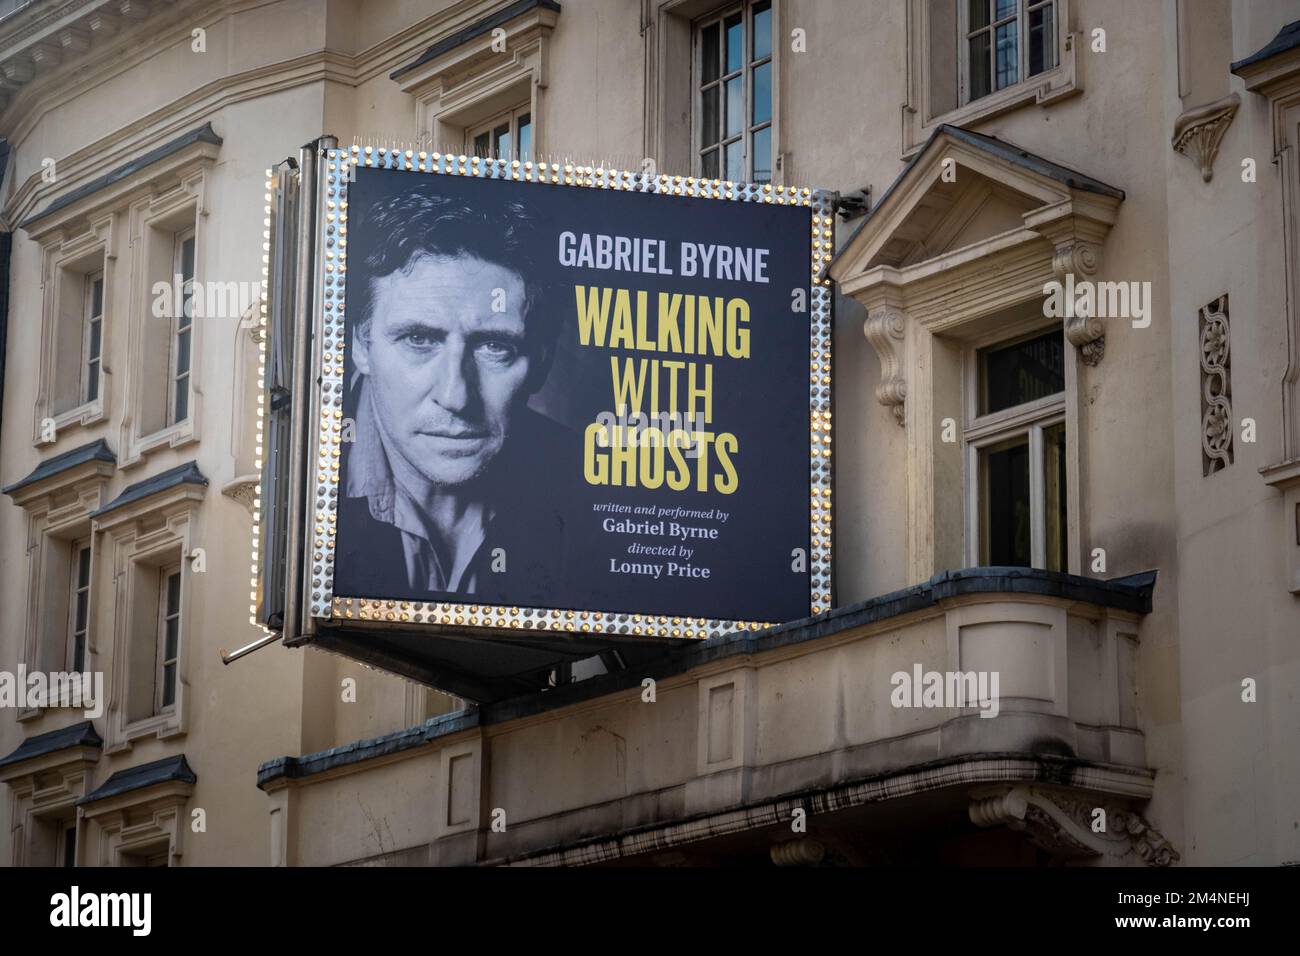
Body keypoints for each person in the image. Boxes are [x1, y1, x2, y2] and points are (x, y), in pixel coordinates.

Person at [334, 184, 577, 607]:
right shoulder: (300, 493)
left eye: (494, 347)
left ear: (541, 360)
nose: (455, 396)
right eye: (418, 339)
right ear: (360, 345)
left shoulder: (586, 486)